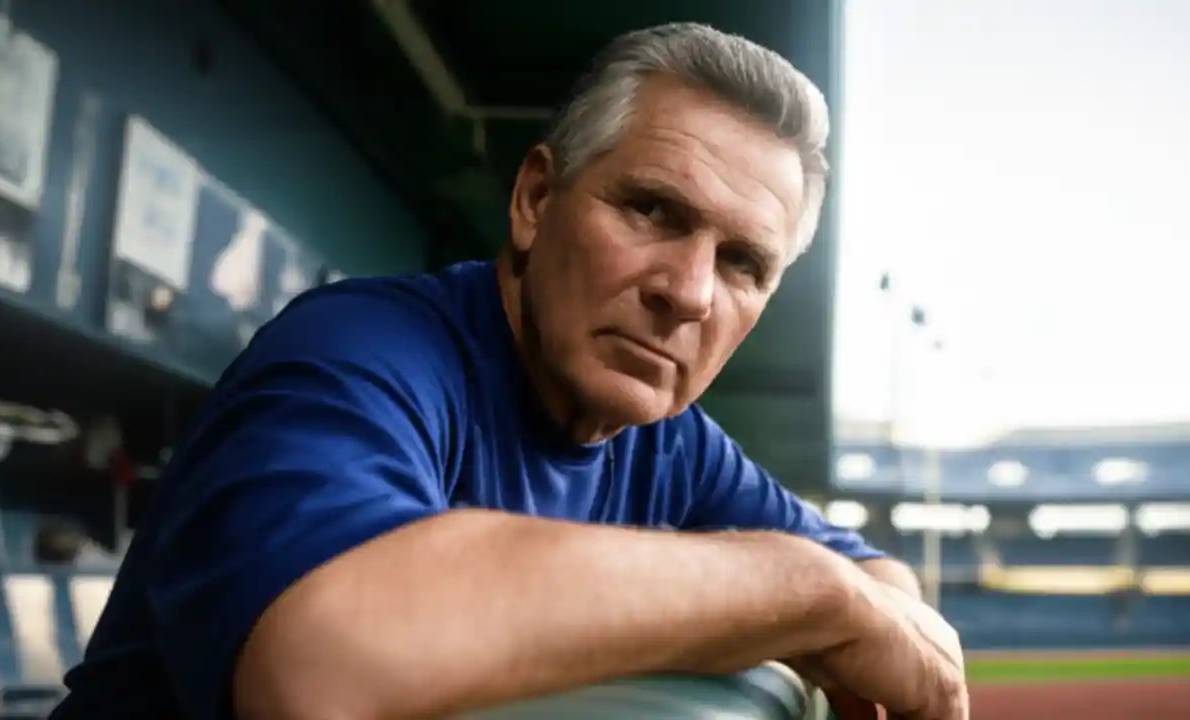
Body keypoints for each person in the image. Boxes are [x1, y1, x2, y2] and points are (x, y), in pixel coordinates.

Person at [52, 22, 968, 720]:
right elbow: (321, 662)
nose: (689, 292)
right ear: (535, 200)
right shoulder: (361, 348)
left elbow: (883, 585)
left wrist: (844, 594)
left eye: (743, 265)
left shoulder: (674, 444)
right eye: (651, 210)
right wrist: (804, 591)